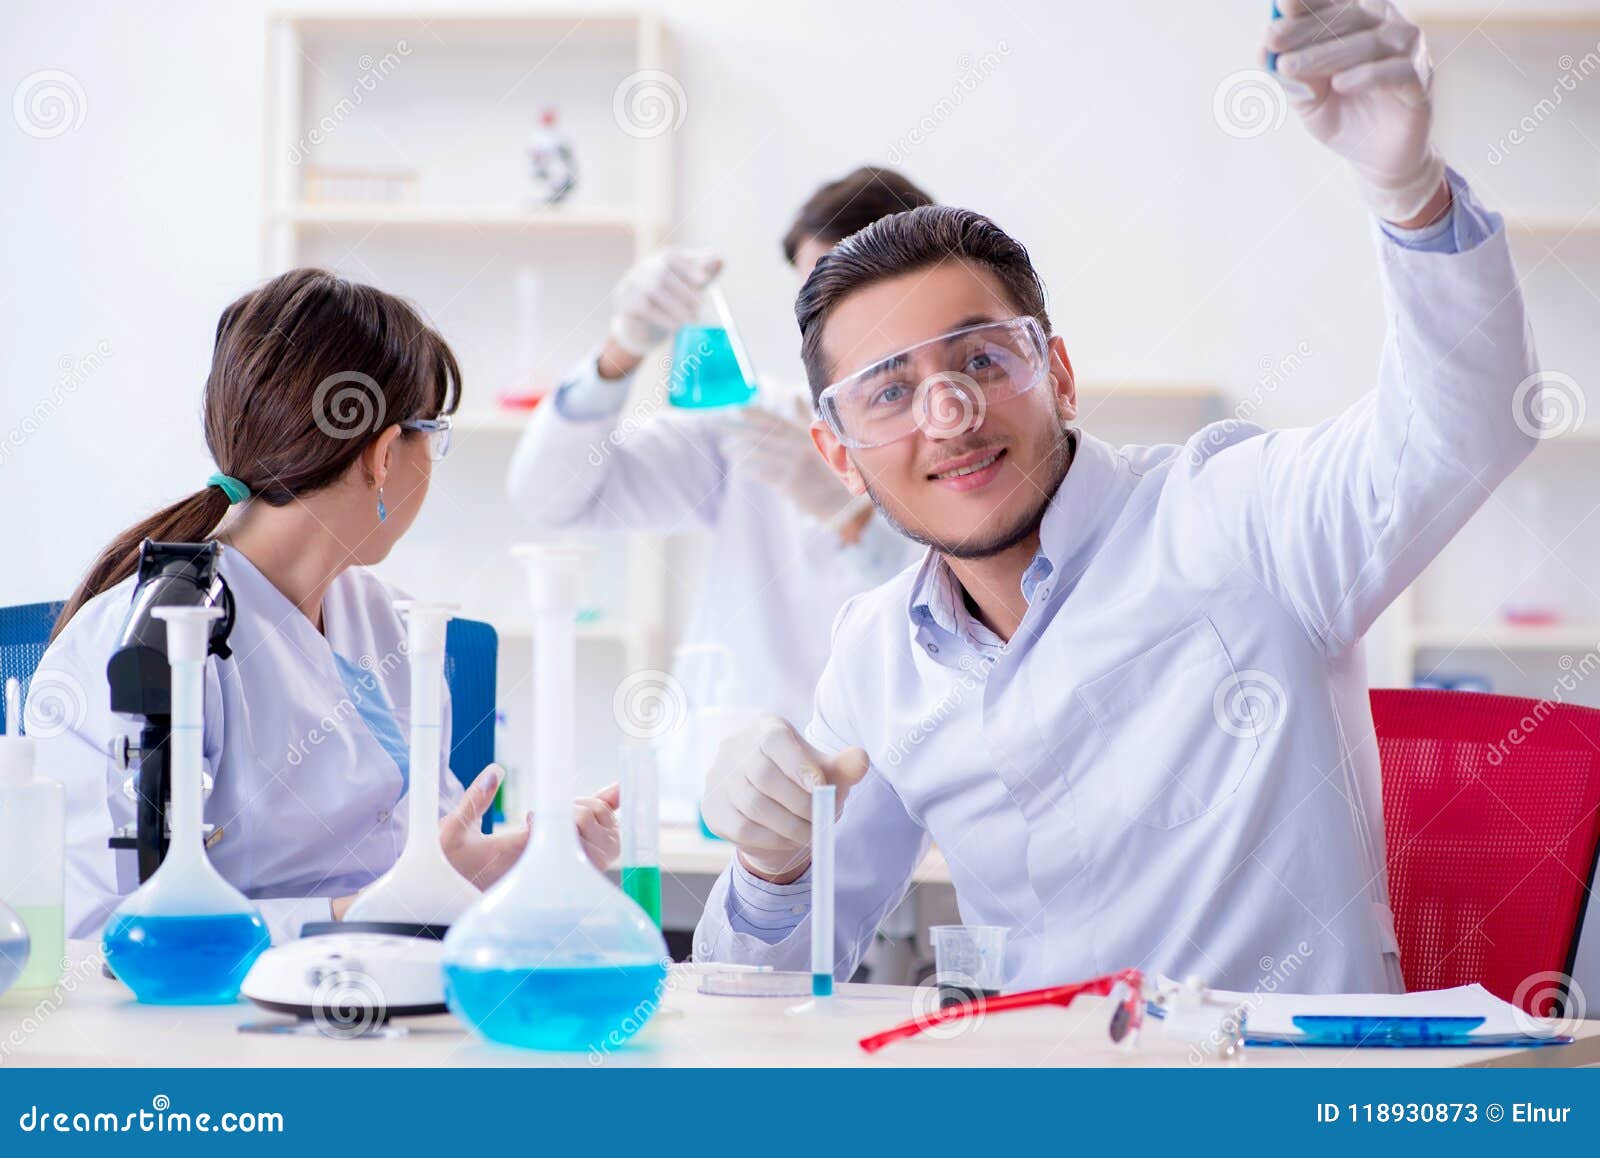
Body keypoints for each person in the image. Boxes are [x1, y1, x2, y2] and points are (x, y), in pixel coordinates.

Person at [694, 1, 1540, 993]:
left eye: (980, 357)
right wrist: (771, 866)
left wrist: (1407, 190)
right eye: (889, 391)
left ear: (1056, 373)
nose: (951, 412)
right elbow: (762, 987)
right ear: (836, 454)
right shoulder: (878, 657)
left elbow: (1466, 426)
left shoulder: (1234, 518)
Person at [33, 268, 620, 945]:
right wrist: (354, 915)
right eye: (434, 433)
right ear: (384, 455)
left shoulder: (393, 625)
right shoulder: (149, 642)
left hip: (400, 1011)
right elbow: (101, 935)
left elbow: (426, 865)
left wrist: (511, 859)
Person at [506, 167, 930, 814]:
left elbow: (957, 609)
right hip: (723, 812)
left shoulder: (958, 431)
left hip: (888, 807)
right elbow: (551, 496)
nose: (828, 319)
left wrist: (850, 516)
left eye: (853, 289)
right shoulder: (757, 425)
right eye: (813, 295)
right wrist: (620, 352)